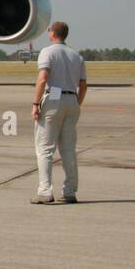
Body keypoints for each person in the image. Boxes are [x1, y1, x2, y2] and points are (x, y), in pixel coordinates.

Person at [31, 21, 88, 205]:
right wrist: (76, 102)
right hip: (72, 100)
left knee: (45, 149)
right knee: (68, 150)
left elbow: (42, 79)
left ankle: (45, 191)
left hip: (53, 100)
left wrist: (35, 103)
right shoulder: (76, 56)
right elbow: (84, 85)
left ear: (53, 33)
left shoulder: (47, 52)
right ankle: (70, 191)